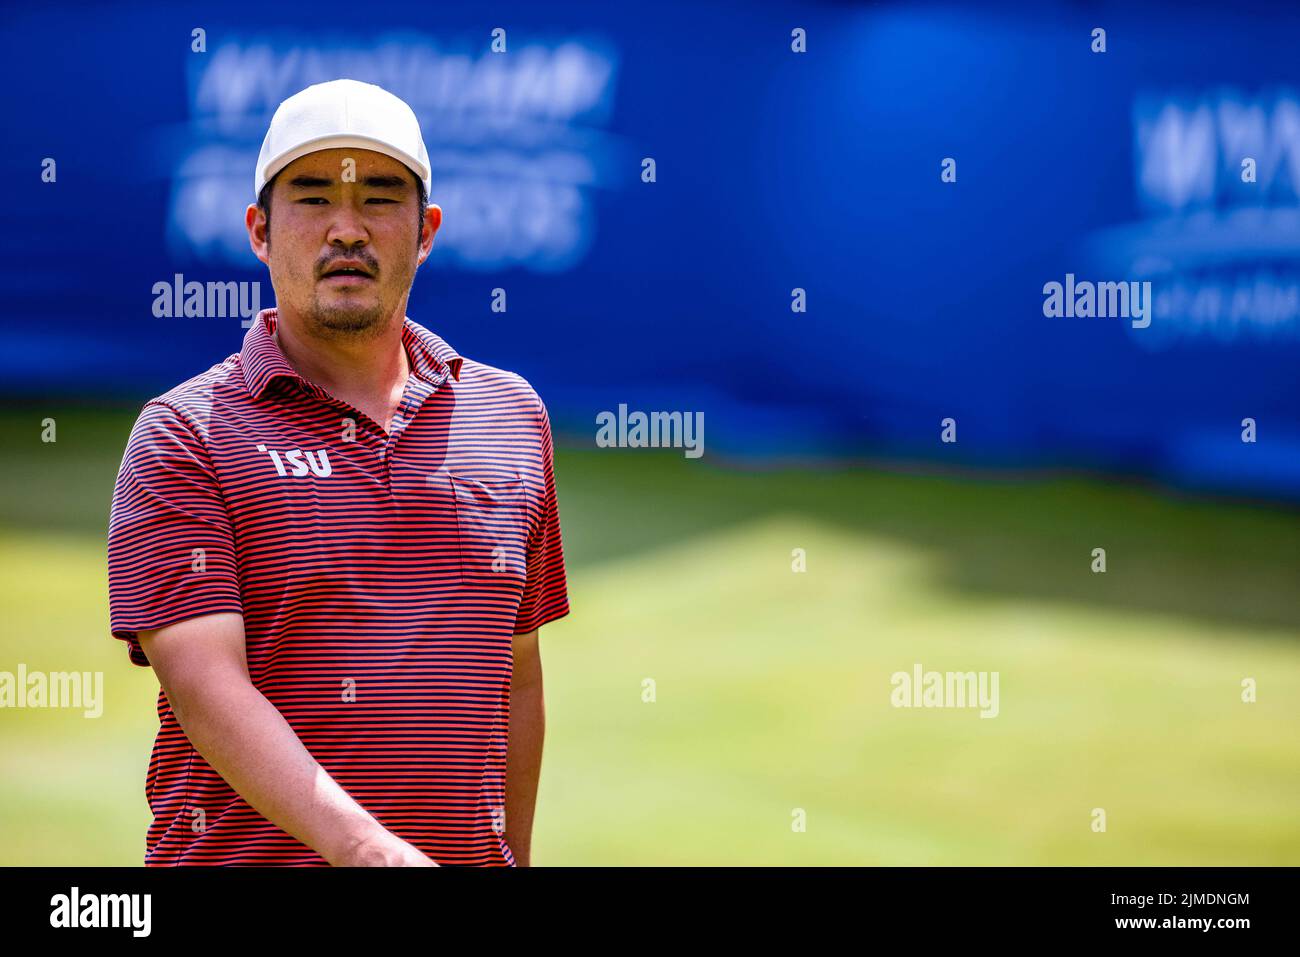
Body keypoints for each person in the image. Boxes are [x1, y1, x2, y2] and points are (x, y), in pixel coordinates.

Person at [107, 78, 570, 866]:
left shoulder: (511, 415)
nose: (346, 229)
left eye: (380, 199)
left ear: (426, 231)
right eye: (313, 198)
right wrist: (366, 849)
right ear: (259, 229)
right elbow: (206, 688)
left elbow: (515, 674)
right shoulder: (183, 435)